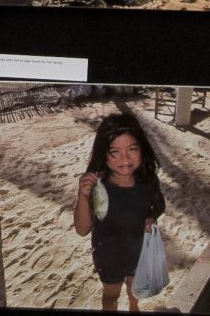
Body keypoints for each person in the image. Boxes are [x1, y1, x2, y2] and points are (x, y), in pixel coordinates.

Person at [74, 113, 166, 312]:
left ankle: (134, 307)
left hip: (138, 251)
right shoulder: (98, 186)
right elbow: (82, 230)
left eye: (132, 149)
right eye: (114, 151)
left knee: (135, 288)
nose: (125, 158)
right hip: (108, 255)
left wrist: (153, 216)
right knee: (111, 295)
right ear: (103, 154)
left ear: (142, 149)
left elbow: (159, 205)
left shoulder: (148, 180)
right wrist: (82, 196)